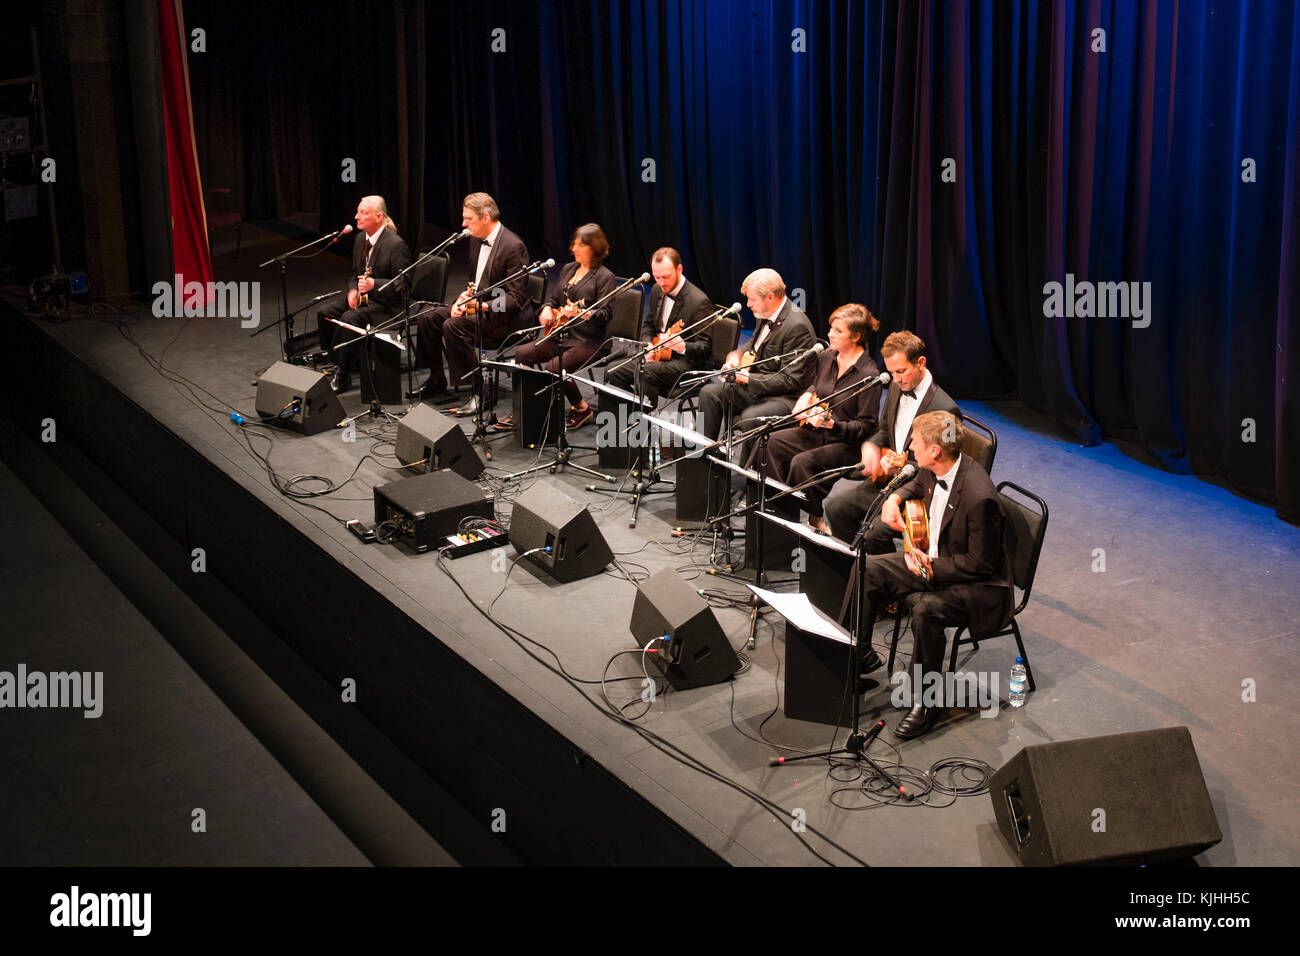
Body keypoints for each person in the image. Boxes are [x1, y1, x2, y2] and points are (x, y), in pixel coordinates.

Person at [850, 411, 1013, 739]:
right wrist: (894, 498)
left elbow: (980, 565)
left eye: (916, 442)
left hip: (978, 584)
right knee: (866, 566)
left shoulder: (980, 496)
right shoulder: (935, 468)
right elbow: (916, 482)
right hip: (934, 559)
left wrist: (929, 566)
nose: (910, 446)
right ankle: (856, 655)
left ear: (936, 451)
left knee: (927, 609)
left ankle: (925, 703)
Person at [745, 304, 882, 527]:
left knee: (802, 463)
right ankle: (774, 509)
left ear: (855, 336)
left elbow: (866, 427)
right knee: (769, 442)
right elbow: (816, 384)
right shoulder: (828, 356)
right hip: (816, 430)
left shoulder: (869, 375)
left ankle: (809, 517)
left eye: (838, 331)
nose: (829, 334)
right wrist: (806, 396)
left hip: (846, 443)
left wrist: (833, 425)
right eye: (831, 328)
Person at [822, 331, 959, 544]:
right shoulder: (897, 386)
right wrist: (871, 446)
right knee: (835, 509)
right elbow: (885, 430)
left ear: (921, 363)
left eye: (901, 371)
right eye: (891, 372)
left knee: (874, 533)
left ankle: (882, 575)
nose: (895, 379)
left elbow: (943, 466)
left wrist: (903, 466)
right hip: (889, 480)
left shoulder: (945, 409)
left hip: (919, 490)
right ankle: (855, 571)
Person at [410, 192, 531, 416]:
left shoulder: (513, 246)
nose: (463, 224)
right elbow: (475, 284)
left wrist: (479, 307)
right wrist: (461, 301)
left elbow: (515, 300)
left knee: (453, 326)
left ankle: (480, 391)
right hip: (478, 307)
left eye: (468, 219)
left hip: (505, 318)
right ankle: (437, 378)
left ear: (485, 218)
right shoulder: (476, 241)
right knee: (428, 317)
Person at [499, 223, 617, 431]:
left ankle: (581, 408)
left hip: (589, 341)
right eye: (574, 244)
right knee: (522, 354)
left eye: (581, 245)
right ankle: (525, 408)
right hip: (561, 333)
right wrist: (546, 309)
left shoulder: (605, 277)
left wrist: (585, 313)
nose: (575, 248)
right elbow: (554, 300)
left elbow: (605, 314)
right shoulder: (568, 268)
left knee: (554, 368)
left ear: (594, 248)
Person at [696, 268, 816, 455]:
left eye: (752, 299)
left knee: (750, 418)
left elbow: (791, 380)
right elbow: (754, 344)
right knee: (709, 393)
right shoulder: (765, 313)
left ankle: (748, 478)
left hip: (785, 398)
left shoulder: (797, 326)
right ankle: (705, 459)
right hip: (758, 388)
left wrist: (747, 379)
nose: (748, 304)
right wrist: (737, 355)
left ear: (770, 297)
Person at [316, 195, 412, 392]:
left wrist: (373, 284)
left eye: (363, 213)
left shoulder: (395, 245)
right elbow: (354, 274)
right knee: (324, 313)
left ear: (378, 217)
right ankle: (341, 361)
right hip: (364, 298)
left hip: (388, 306)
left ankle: (341, 373)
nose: (356, 216)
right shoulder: (360, 239)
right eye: (358, 211)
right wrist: (352, 290)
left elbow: (404, 284)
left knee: (350, 317)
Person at [604, 247, 716, 406]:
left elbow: (704, 348)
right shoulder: (657, 290)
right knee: (612, 371)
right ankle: (627, 418)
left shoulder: (699, 302)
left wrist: (682, 346)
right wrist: (648, 344)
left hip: (687, 363)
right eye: (657, 277)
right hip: (659, 354)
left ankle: (644, 426)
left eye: (666, 277)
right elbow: (648, 325)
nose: (661, 282)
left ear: (679, 269)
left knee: (644, 372)